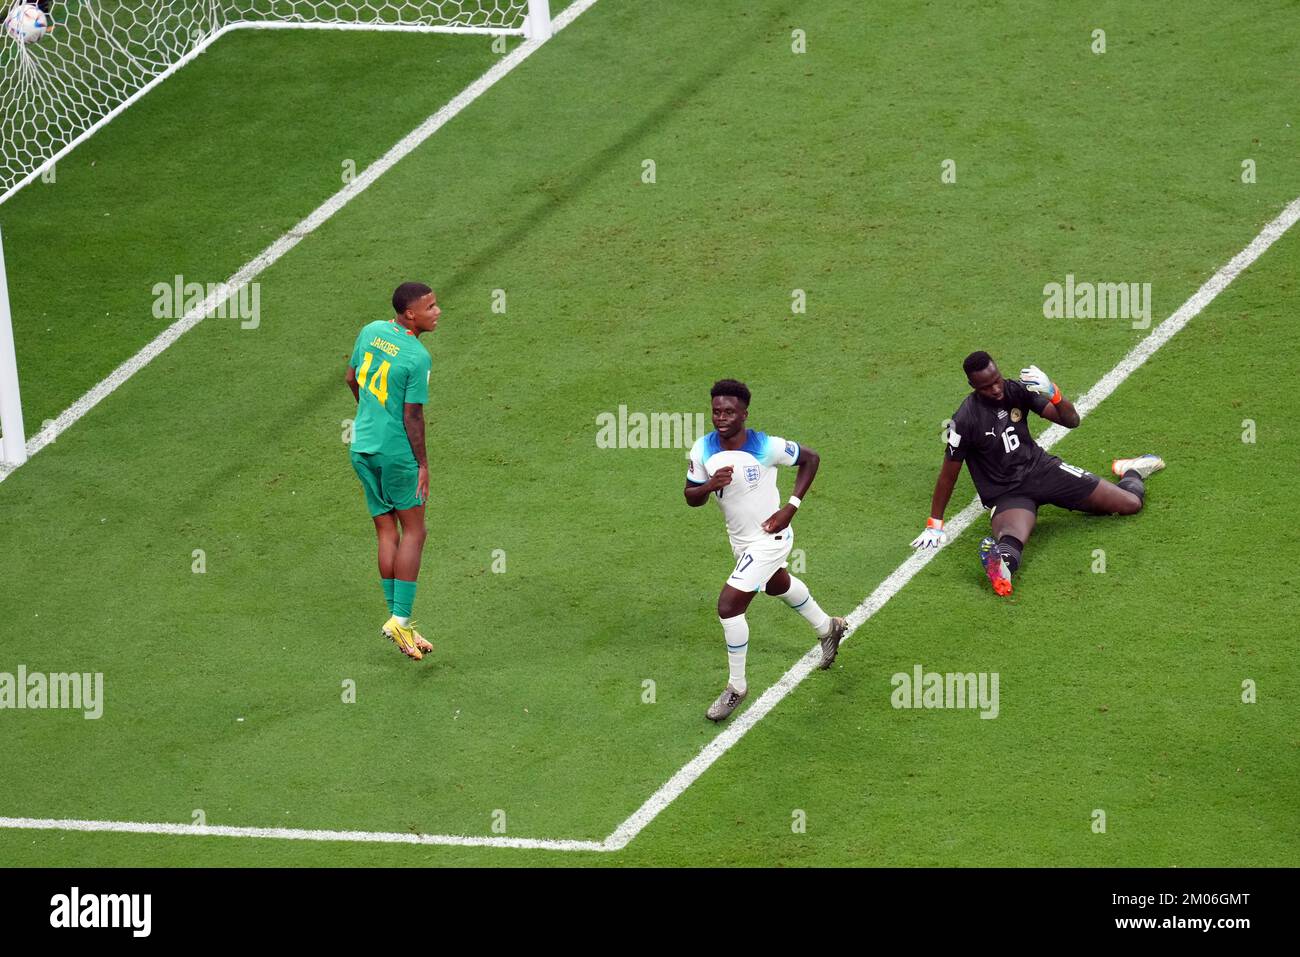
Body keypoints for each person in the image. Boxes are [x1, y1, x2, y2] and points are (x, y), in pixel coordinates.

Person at [911, 351, 1164, 595]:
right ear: (972, 385)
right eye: (986, 387)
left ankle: (1131, 470)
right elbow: (949, 474)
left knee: (1130, 504)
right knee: (1011, 540)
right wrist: (935, 524)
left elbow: (1071, 420)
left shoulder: (1016, 390)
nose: (996, 389)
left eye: (996, 380)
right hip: (1007, 493)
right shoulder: (964, 420)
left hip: (1043, 470)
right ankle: (1001, 569)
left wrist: (1054, 393)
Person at [685, 379, 846, 722]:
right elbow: (690, 496)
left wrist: (791, 507)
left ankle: (736, 688)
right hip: (741, 542)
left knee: (728, 607)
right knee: (777, 585)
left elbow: (811, 459)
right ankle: (827, 627)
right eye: (716, 411)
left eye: (729, 411)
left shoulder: (766, 446)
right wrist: (710, 485)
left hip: (771, 538)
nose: (721, 417)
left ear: (744, 413)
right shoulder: (702, 449)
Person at [345, 282, 440, 659]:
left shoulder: (370, 330)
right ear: (410, 314)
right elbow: (412, 416)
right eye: (430, 307)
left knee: (387, 530)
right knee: (415, 530)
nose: (438, 311)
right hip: (397, 454)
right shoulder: (417, 357)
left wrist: (371, 413)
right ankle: (400, 620)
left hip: (362, 446)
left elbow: (352, 379)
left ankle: (398, 621)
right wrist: (422, 464)